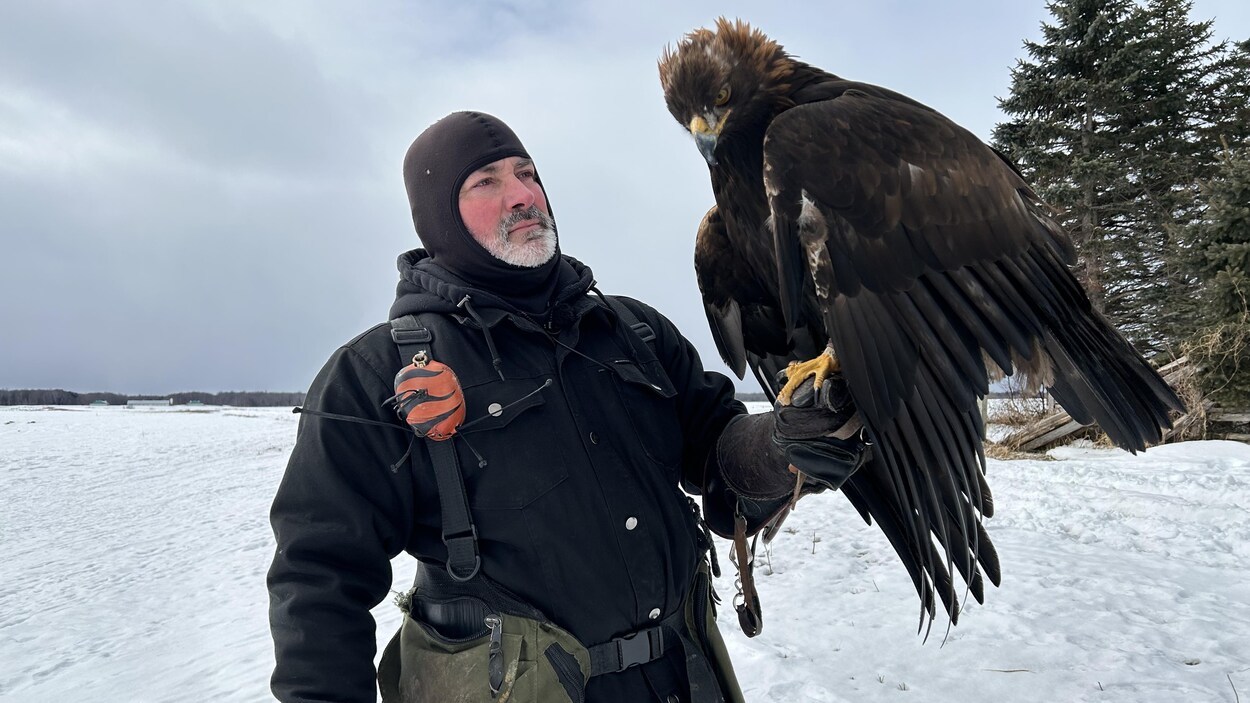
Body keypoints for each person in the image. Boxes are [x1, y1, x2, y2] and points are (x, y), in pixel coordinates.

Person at [267, 111, 866, 703]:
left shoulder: (634, 331)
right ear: (437, 217)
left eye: (528, 174)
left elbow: (718, 452)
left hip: (683, 676)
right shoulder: (376, 374)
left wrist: (786, 446)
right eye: (487, 182)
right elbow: (319, 577)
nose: (523, 196)